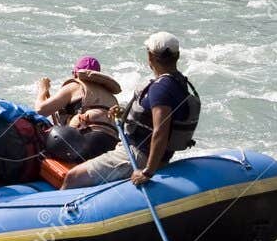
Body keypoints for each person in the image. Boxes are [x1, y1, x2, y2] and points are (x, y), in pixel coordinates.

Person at [60, 32, 201, 189]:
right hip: (154, 155)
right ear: (177, 56)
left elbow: (161, 131)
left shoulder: (161, 88)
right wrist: (124, 115)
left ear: (151, 57)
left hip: (137, 155)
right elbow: (157, 122)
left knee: (73, 177)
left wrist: (147, 172)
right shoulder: (179, 82)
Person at [38, 56, 122, 164]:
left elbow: (40, 110)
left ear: (76, 74)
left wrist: (43, 89)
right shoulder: (111, 97)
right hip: (112, 145)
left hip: (86, 140)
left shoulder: (75, 85)